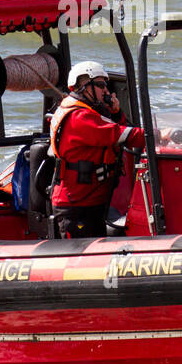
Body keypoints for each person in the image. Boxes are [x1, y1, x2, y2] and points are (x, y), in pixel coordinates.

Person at [48, 61, 145, 239]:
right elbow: (118, 134)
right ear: (84, 86)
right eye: (101, 85)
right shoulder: (79, 117)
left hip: (90, 202)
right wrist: (155, 135)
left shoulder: (87, 113)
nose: (106, 91)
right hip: (77, 206)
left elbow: (115, 129)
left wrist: (115, 112)